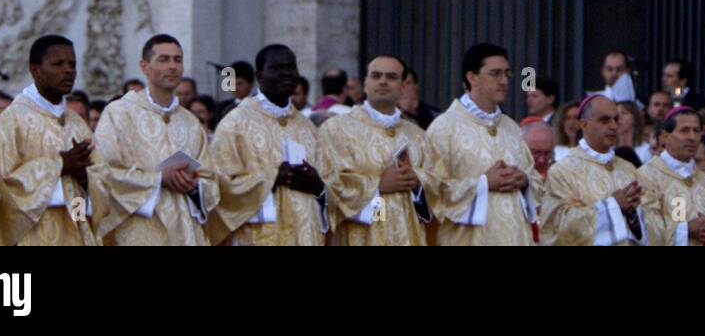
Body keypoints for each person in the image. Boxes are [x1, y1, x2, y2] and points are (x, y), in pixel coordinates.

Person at [90, 34, 218, 246]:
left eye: (178, 60)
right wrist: (158, 180)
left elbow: (210, 179)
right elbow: (101, 173)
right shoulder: (119, 113)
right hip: (138, 231)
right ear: (144, 66)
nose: (172, 66)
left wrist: (195, 185)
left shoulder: (190, 122)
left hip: (185, 232)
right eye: (163, 59)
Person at [0, 35, 98, 245]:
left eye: (72, 64)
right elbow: (0, 185)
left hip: (76, 232)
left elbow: (95, 183)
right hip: (32, 235)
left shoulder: (76, 123)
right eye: (58, 64)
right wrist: (60, 165)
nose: (68, 70)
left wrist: (86, 179)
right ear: (35, 70)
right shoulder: (13, 120)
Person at [207, 44, 329, 246]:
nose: (287, 74)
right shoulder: (235, 123)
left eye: (291, 67)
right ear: (259, 75)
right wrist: (272, 177)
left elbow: (330, 185)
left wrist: (319, 187)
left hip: (305, 234)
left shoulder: (308, 127)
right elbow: (217, 184)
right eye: (277, 68)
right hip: (256, 235)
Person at [314, 54, 435, 246]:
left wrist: (418, 182)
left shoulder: (418, 136)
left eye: (392, 77)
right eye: (376, 76)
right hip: (361, 236)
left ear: (404, 87)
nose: (383, 82)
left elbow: (441, 184)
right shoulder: (336, 129)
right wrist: (377, 186)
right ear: (365, 83)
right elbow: (324, 185)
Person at [424, 43, 536, 246]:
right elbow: (432, 192)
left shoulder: (512, 128)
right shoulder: (444, 128)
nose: (504, 81)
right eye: (495, 74)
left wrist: (524, 181)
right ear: (471, 77)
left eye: (507, 74)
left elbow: (537, 182)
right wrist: (484, 183)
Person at [540, 94, 647, 246]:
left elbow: (648, 225)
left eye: (616, 119)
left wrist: (633, 215)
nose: (613, 126)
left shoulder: (628, 169)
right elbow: (557, 228)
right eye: (604, 120)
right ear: (584, 124)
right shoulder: (562, 171)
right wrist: (613, 206)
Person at [639, 107, 705, 246]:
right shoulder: (646, 176)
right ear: (666, 137)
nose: (692, 137)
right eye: (684, 130)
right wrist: (686, 229)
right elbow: (646, 227)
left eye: (696, 131)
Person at [614, 100, 645, 167]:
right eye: (617, 114)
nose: (619, 118)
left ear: (635, 117)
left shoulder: (645, 149)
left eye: (624, 113)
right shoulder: (609, 150)